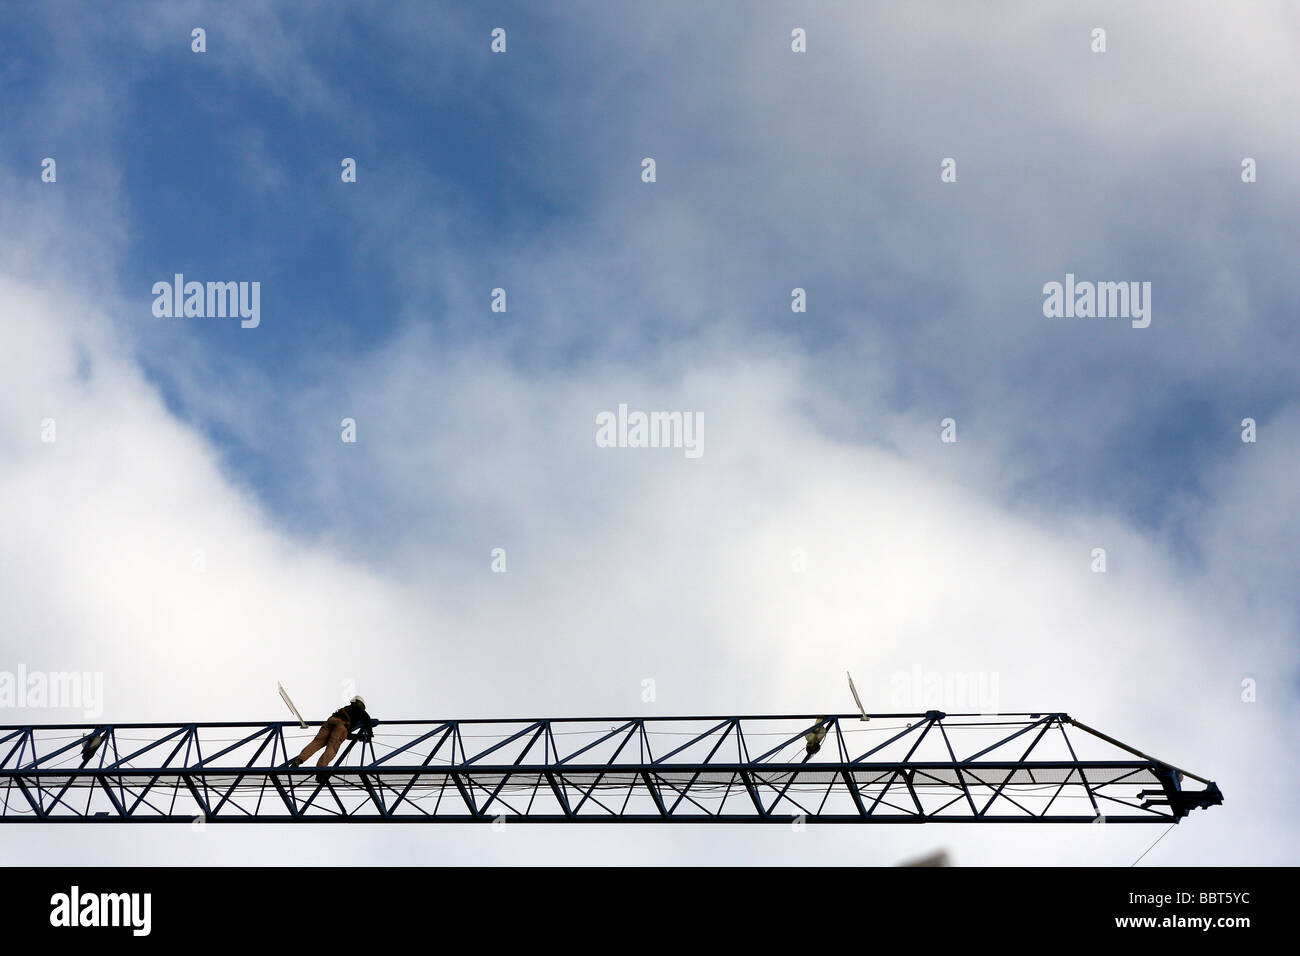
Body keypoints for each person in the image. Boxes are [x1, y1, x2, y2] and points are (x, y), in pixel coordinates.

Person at [288, 696, 374, 767]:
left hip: (330, 722)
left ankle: (299, 760)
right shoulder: (360, 711)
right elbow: (367, 720)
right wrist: (369, 735)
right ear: (361, 705)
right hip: (341, 726)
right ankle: (320, 770)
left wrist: (358, 737)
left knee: (316, 742)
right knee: (332, 748)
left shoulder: (345, 708)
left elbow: (347, 735)